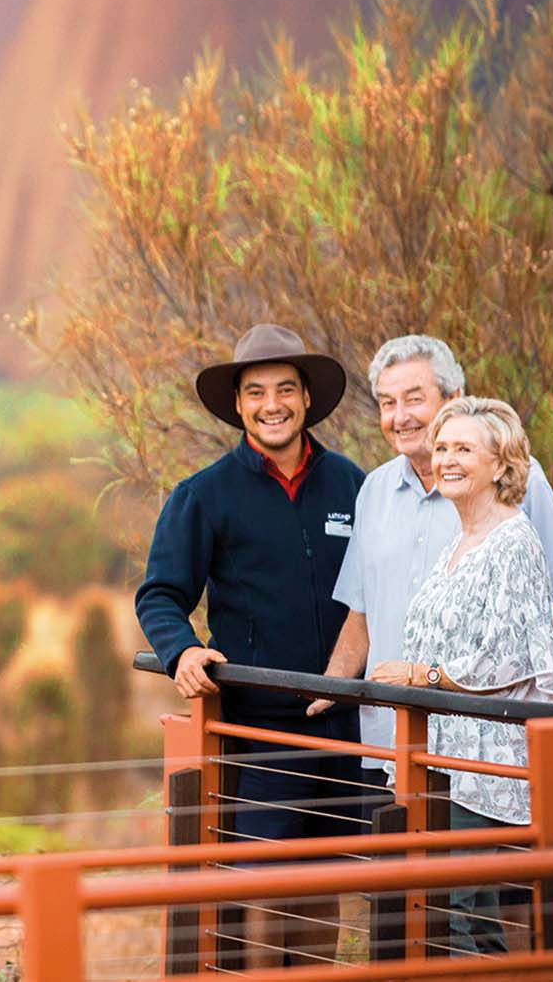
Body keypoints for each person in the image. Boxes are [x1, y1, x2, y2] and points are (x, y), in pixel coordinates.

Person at [135, 324, 366, 969]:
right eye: (256, 391)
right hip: (256, 731)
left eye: (285, 389)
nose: (273, 404)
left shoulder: (353, 485)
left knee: (326, 888)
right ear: (237, 405)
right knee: (261, 893)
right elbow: (158, 594)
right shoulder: (204, 495)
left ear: (306, 399)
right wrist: (181, 651)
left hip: (344, 725)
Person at [311, 336, 553, 771]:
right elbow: (362, 616)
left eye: (414, 399)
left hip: (484, 747)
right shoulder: (374, 491)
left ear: (454, 397)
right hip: (390, 741)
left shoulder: (517, 482)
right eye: (387, 403)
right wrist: (326, 689)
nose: (399, 417)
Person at [367, 396, 553, 955]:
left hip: (488, 766)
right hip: (444, 758)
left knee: (465, 920)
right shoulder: (460, 543)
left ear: (501, 465)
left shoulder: (514, 540)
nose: (446, 459)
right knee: (451, 917)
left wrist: (417, 674)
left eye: (464, 448)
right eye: (442, 447)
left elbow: (505, 659)